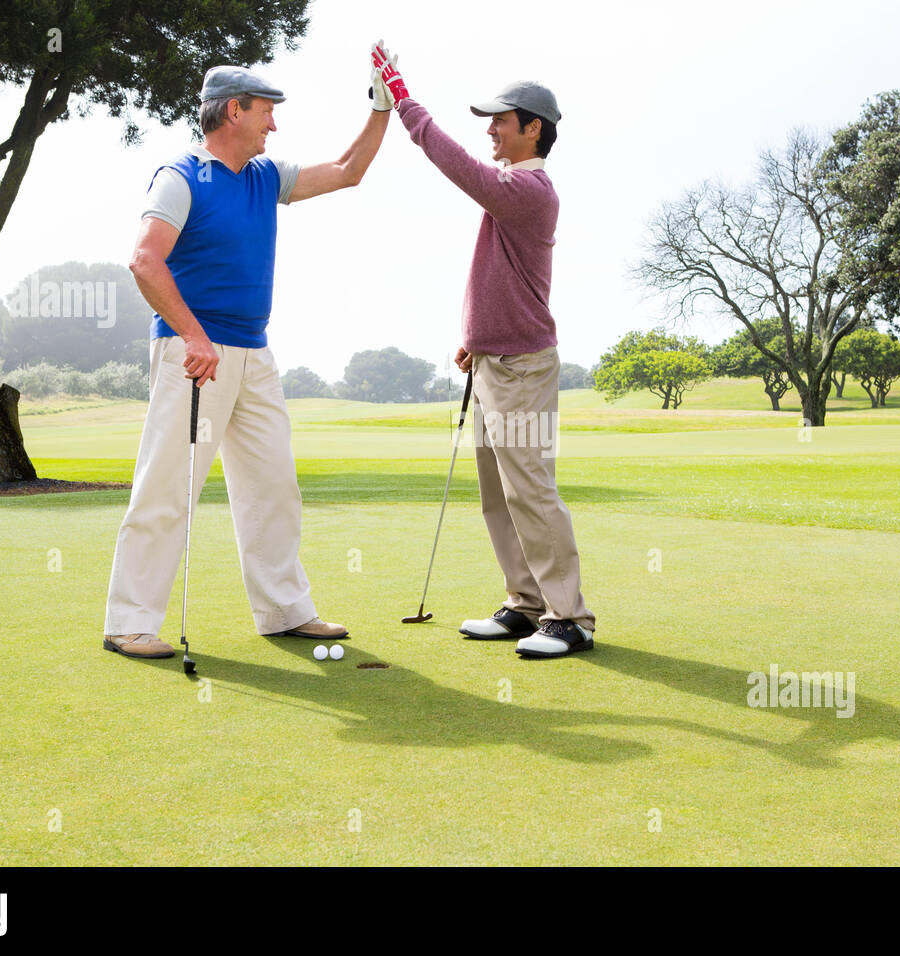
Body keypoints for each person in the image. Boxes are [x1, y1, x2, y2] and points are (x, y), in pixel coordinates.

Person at [103, 61, 394, 659]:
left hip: (254, 353)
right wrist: (194, 336)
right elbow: (144, 261)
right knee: (166, 487)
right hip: (194, 354)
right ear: (233, 109)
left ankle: (284, 610)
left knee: (272, 486)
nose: (274, 125)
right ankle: (128, 622)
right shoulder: (179, 177)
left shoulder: (266, 178)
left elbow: (347, 172)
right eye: (266, 110)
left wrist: (380, 106)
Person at [372, 43, 596, 658]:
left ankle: (569, 616)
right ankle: (527, 605)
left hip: (523, 366)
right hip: (495, 360)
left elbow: (458, 166)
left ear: (534, 129)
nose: (492, 129)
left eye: (501, 120)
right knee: (498, 494)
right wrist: (476, 338)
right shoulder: (511, 189)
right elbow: (495, 278)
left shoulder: (531, 190)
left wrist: (406, 102)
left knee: (530, 489)